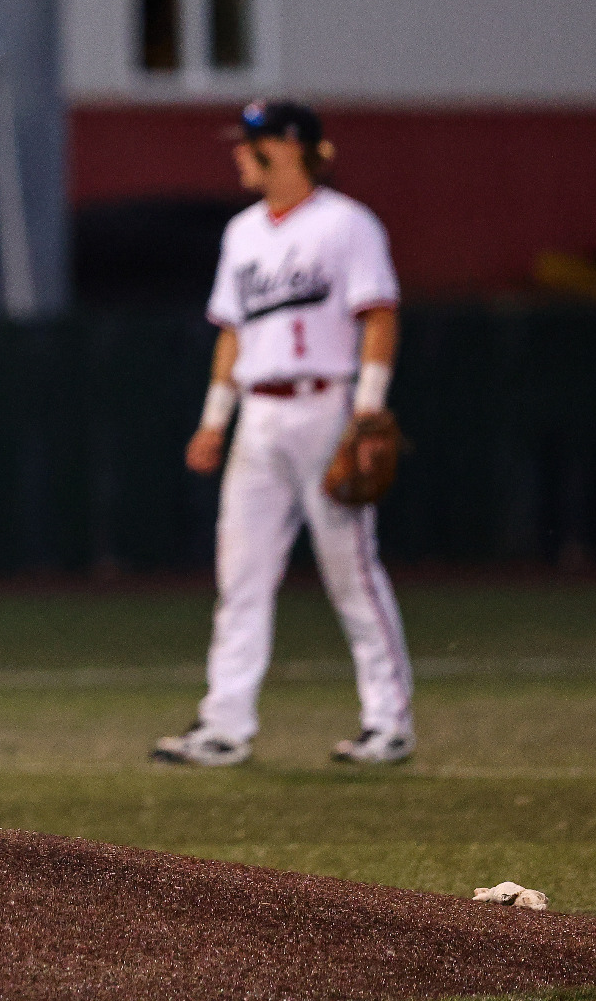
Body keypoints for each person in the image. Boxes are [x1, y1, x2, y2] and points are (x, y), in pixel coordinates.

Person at [153, 101, 415, 767]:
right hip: (259, 414)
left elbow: (378, 315)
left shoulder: (347, 223)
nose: (240, 154)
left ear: (288, 147)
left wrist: (366, 409)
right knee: (240, 574)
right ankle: (224, 724)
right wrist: (215, 419)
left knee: (349, 568)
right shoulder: (242, 231)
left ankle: (388, 722)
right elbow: (233, 332)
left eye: (252, 143)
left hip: (325, 405)